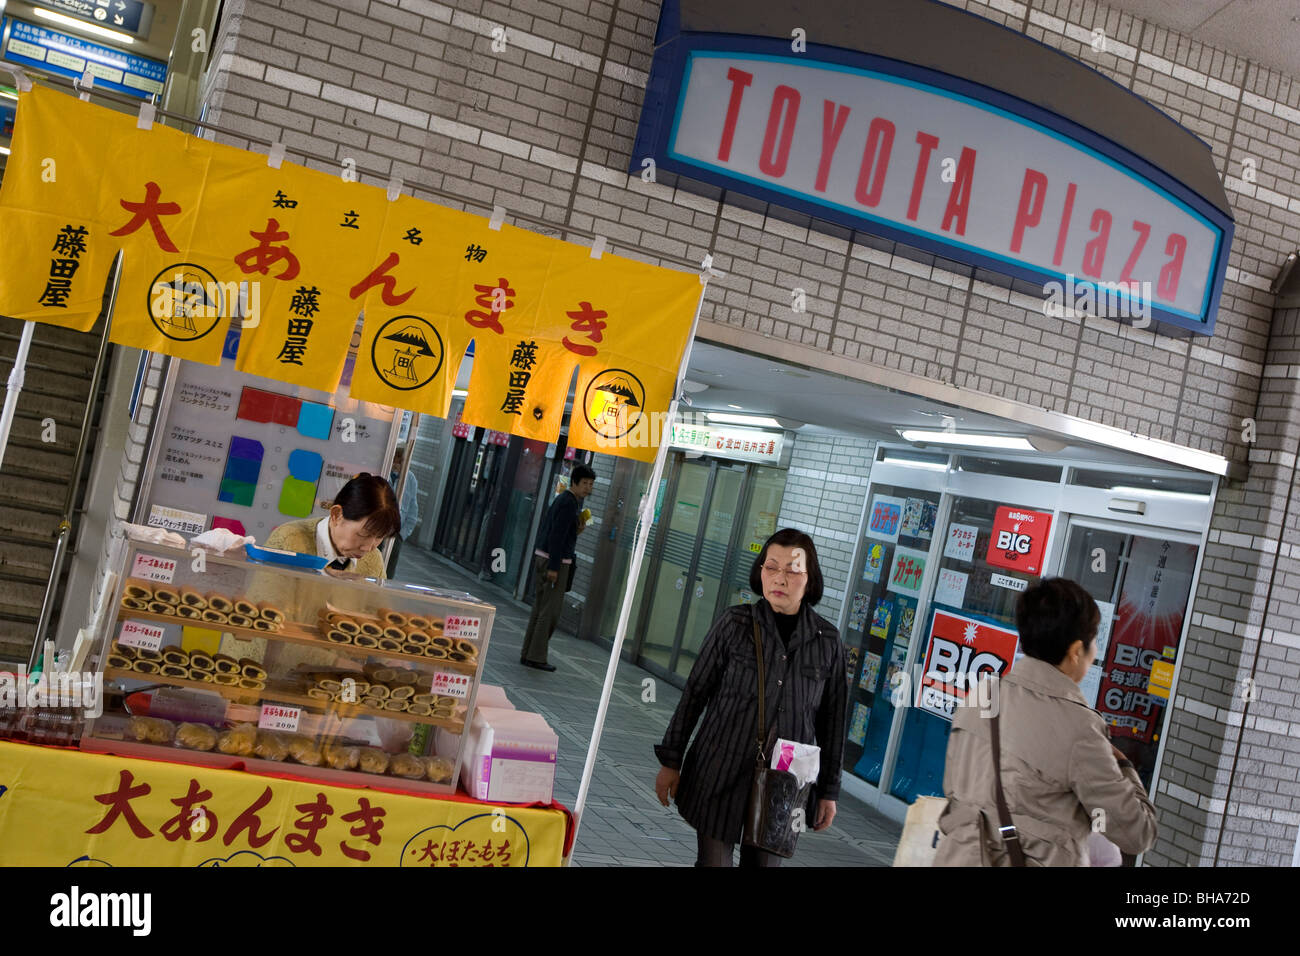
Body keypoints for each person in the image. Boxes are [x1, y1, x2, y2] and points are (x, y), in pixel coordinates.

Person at [653, 528, 849, 867]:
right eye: (771, 567)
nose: (780, 578)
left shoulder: (827, 641)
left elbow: (832, 722)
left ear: (810, 579)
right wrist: (671, 760)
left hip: (784, 782)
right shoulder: (735, 623)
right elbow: (695, 693)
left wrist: (828, 791)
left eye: (792, 569)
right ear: (760, 572)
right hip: (720, 768)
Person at [934, 577, 1158, 866]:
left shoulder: (981, 696)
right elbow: (1137, 833)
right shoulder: (1079, 727)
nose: (1096, 653)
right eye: (1094, 642)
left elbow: (955, 789)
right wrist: (1124, 766)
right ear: (1076, 651)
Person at [519, 463, 595, 671]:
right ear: (575, 483)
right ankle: (536, 657)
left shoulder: (566, 500)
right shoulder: (569, 503)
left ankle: (528, 653)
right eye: (586, 483)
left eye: (591, 484)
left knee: (540, 608)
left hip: (546, 557)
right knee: (550, 612)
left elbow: (560, 533)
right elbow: (557, 536)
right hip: (555, 562)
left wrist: (577, 531)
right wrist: (554, 567)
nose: (589, 488)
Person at [265, 473, 401, 581]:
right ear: (337, 515)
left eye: (379, 537)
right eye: (363, 534)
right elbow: (262, 601)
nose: (368, 548)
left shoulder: (373, 561)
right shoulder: (288, 539)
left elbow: (375, 610)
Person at [386, 446, 420, 577]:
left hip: (396, 532)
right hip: (378, 528)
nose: (396, 463)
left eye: (400, 460)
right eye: (395, 459)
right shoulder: (383, 471)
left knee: (389, 569)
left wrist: (402, 534)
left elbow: (413, 510)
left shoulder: (410, 479)